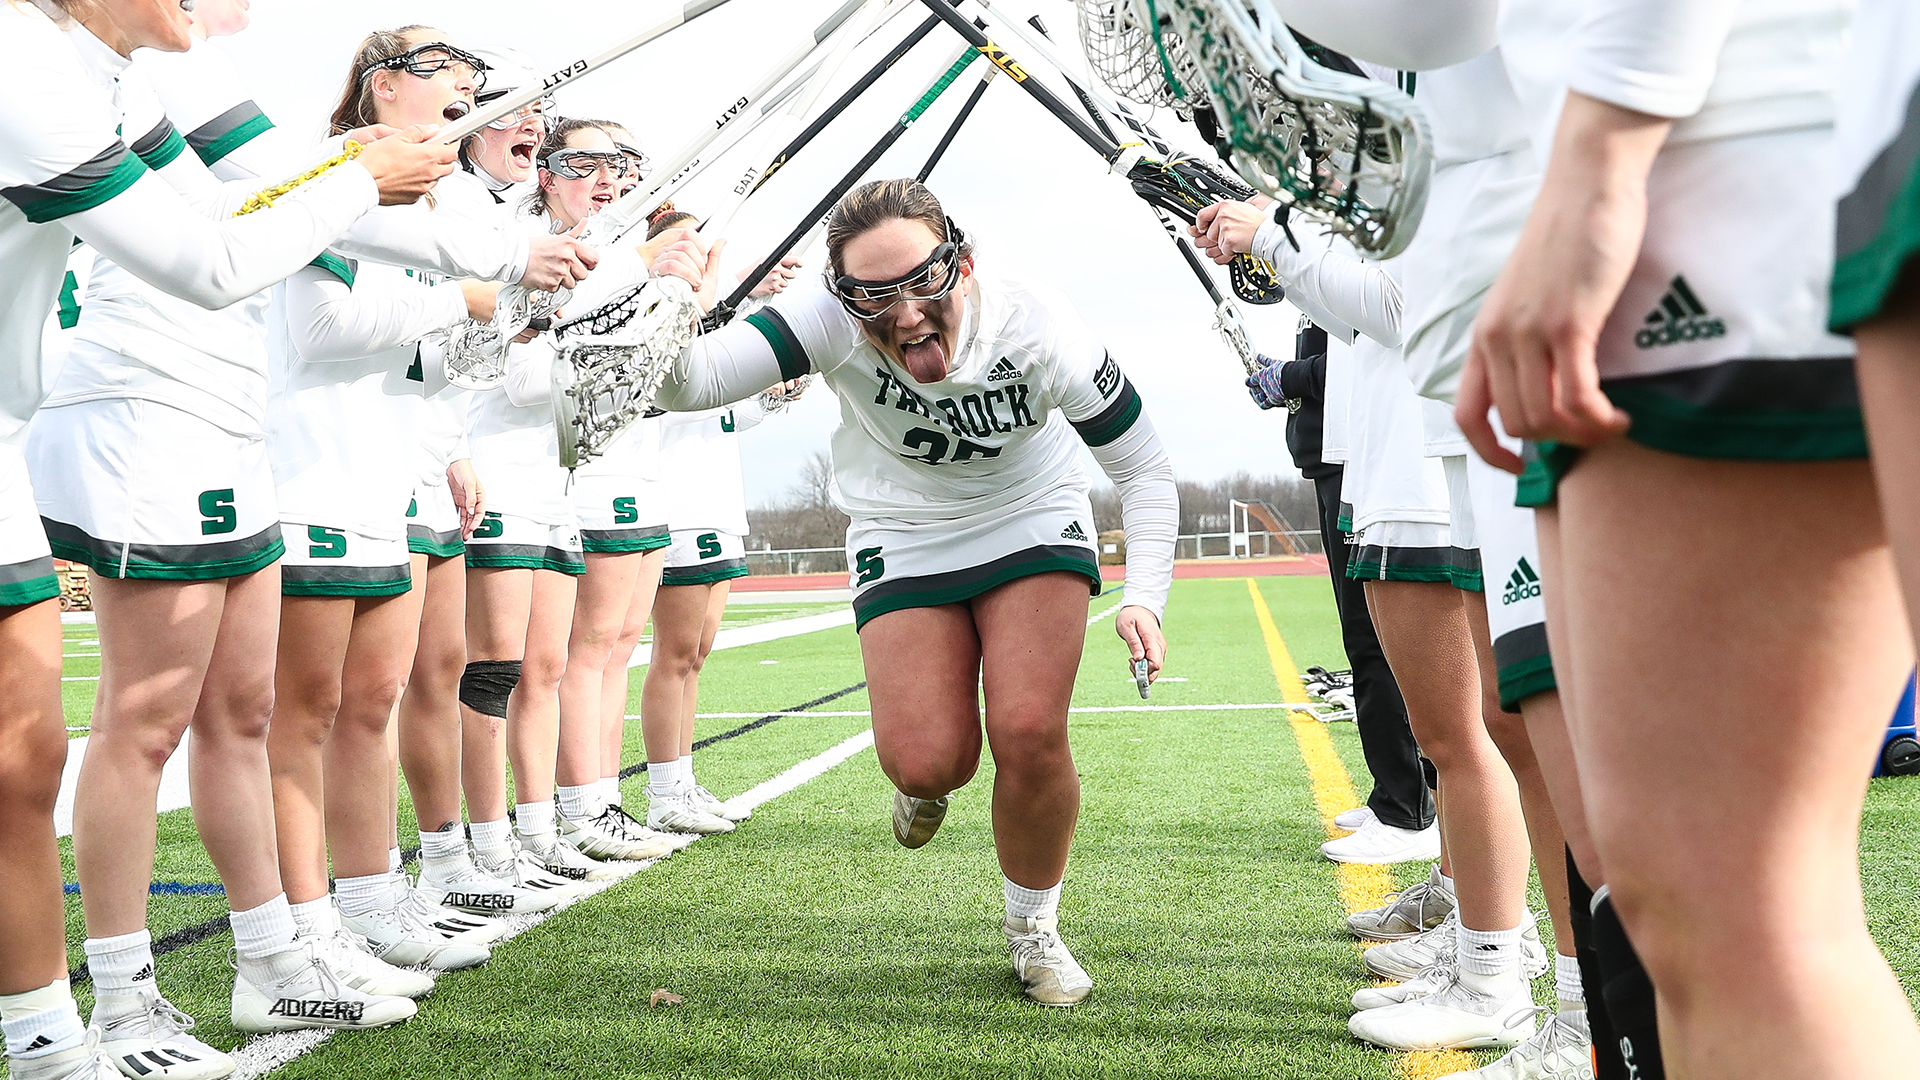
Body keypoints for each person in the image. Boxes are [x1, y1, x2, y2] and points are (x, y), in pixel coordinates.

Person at [1453, 0, 1920, 1076]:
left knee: (1748, 912)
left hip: (1729, 153)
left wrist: (1598, 159)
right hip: (1691, 155)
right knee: (1689, 912)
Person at [0, 2, 457, 1076]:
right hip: (140, 412)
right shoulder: (27, 66)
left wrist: (344, 168)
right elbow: (209, 259)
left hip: (161, 422)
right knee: (124, 725)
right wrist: (358, 182)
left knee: (198, 721)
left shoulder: (107, 78)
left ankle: (261, 963)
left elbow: (226, 203)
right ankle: (112, 1007)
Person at [647, 178, 1177, 1006]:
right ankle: (921, 781)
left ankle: (1033, 927)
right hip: (902, 527)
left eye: (924, 283)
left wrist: (1144, 594)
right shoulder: (826, 319)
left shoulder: (1038, 325)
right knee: (931, 759)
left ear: (962, 262)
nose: (903, 317)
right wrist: (676, 287)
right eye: (872, 297)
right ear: (840, 293)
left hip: (1031, 516)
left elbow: (1142, 468)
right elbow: (684, 384)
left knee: (1031, 729)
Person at [266, 24, 591, 979]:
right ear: (381, 85)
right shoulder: (338, 173)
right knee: (307, 713)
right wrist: (473, 300)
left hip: (383, 470)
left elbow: (438, 358)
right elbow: (323, 329)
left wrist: (497, 328)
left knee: (371, 701)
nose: (470, 90)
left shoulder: (440, 201)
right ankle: (306, 928)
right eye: (446, 70)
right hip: (309, 468)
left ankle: (374, 900)